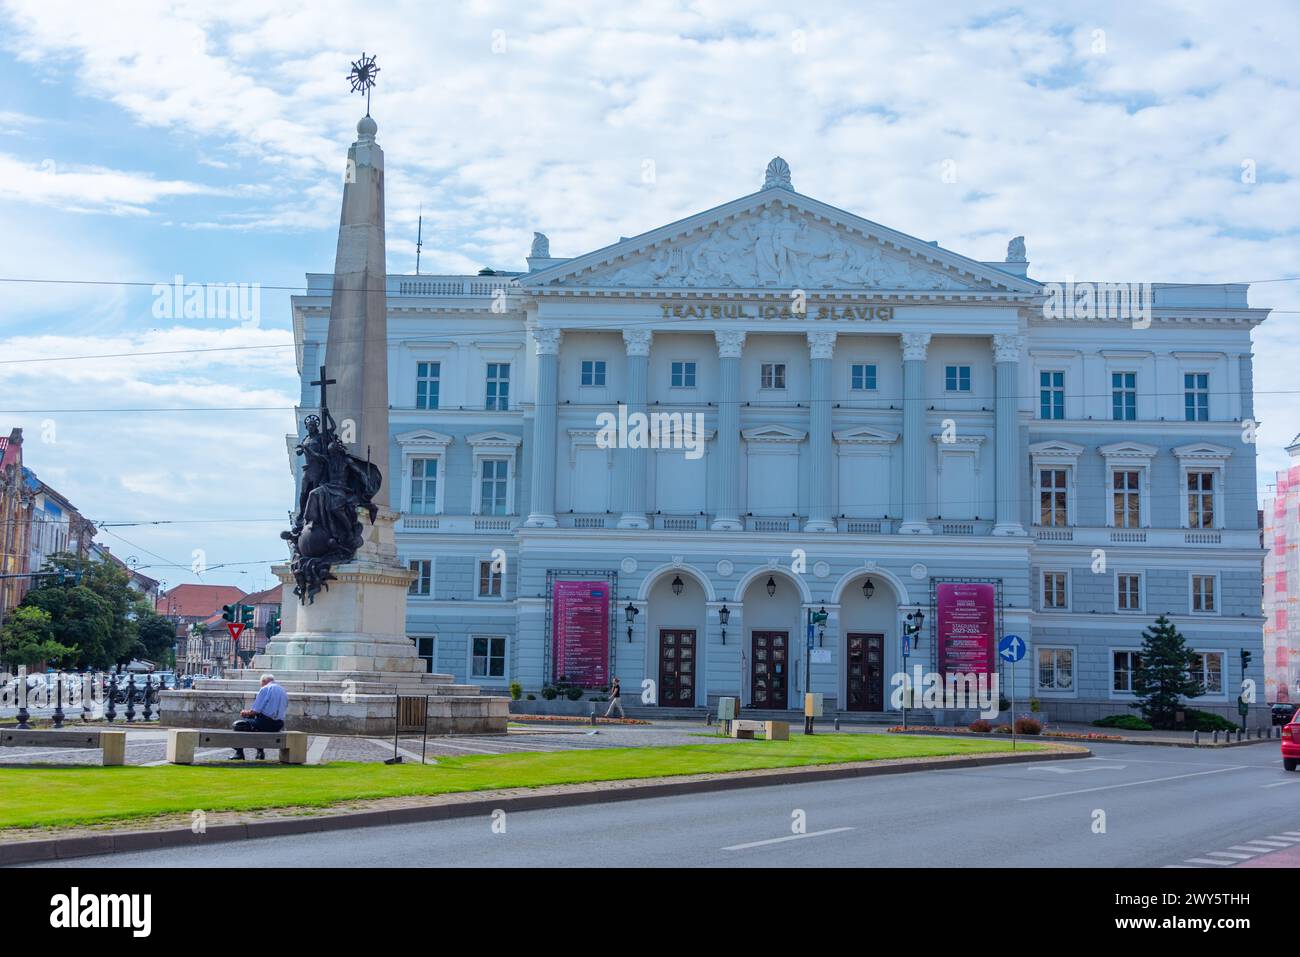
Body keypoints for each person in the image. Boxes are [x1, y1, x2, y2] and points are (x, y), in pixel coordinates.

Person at [230, 674, 289, 760]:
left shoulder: (265, 689)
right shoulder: (283, 690)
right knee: (253, 723)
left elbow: (255, 711)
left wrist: (245, 712)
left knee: (238, 725)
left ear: (264, 681)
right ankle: (260, 753)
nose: (260, 685)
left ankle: (239, 753)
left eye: (261, 683)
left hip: (265, 722)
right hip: (279, 724)